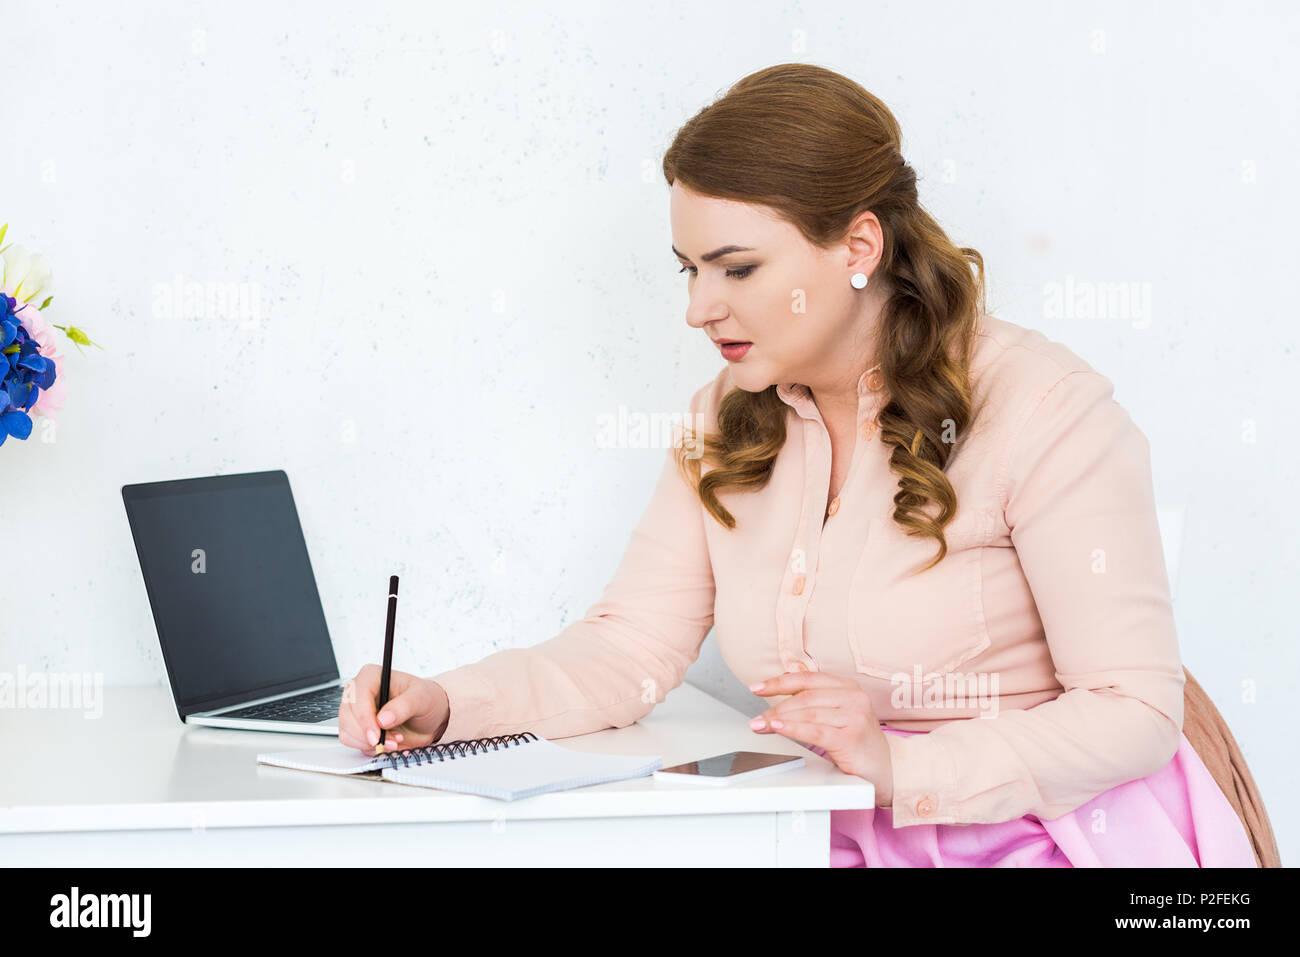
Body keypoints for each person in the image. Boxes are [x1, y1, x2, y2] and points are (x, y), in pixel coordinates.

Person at [338, 62, 1257, 867]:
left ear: (859, 246)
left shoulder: (1045, 408)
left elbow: (1134, 709)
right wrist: (451, 706)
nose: (699, 308)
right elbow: (630, 647)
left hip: (1044, 834)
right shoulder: (721, 419)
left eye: (736, 268)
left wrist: (906, 768)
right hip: (825, 827)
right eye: (687, 269)